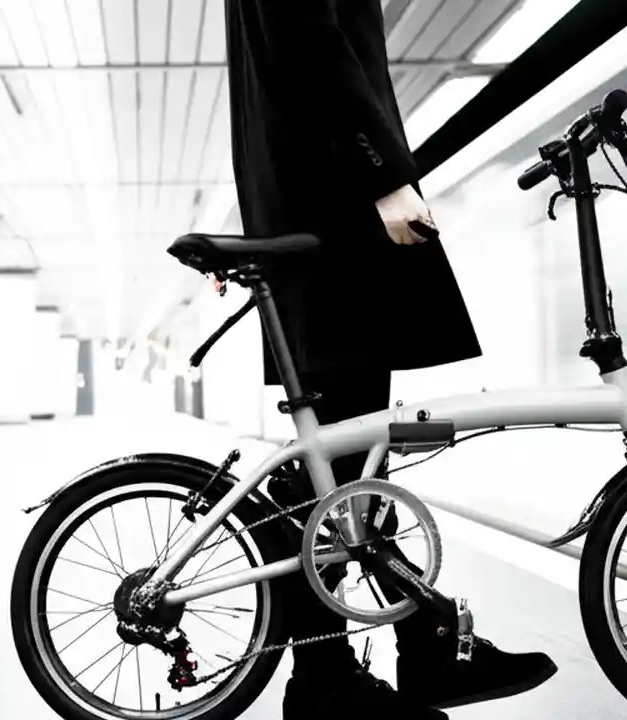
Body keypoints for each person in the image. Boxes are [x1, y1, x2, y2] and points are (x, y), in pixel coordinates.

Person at [220, 1, 558, 718]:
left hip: (318, 216)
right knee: (334, 486)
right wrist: (385, 175)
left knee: (351, 477)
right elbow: (311, 33)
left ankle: (417, 649)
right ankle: (329, 681)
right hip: (333, 220)